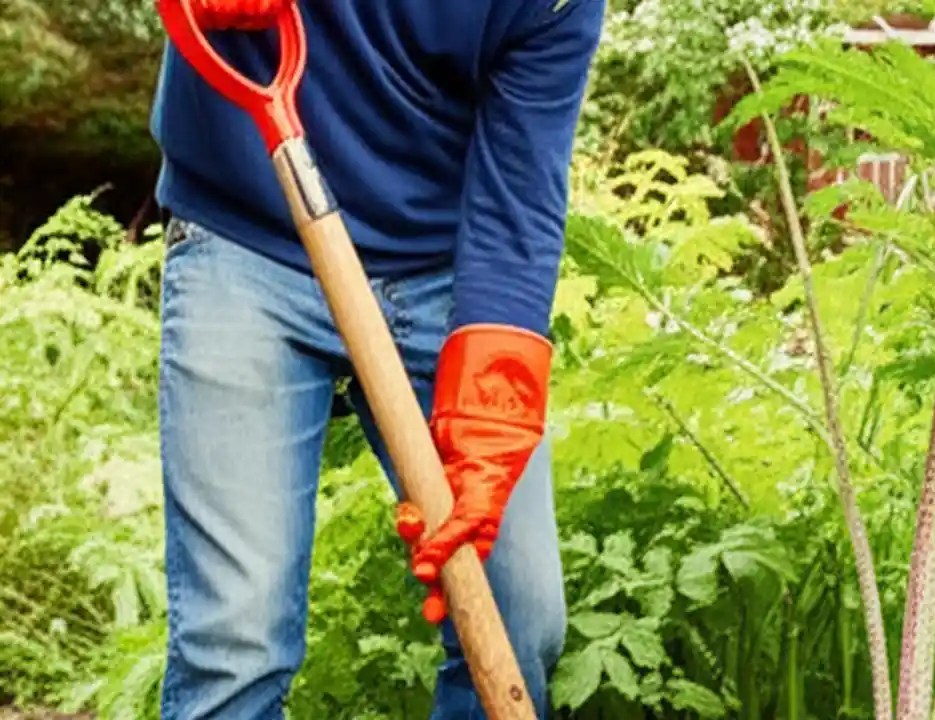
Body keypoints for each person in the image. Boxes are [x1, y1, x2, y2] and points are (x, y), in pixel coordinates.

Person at [147, 0, 605, 717]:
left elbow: (522, 187)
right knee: (237, 639)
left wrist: (489, 414)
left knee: (519, 620)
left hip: (443, 274)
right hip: (246, 238)